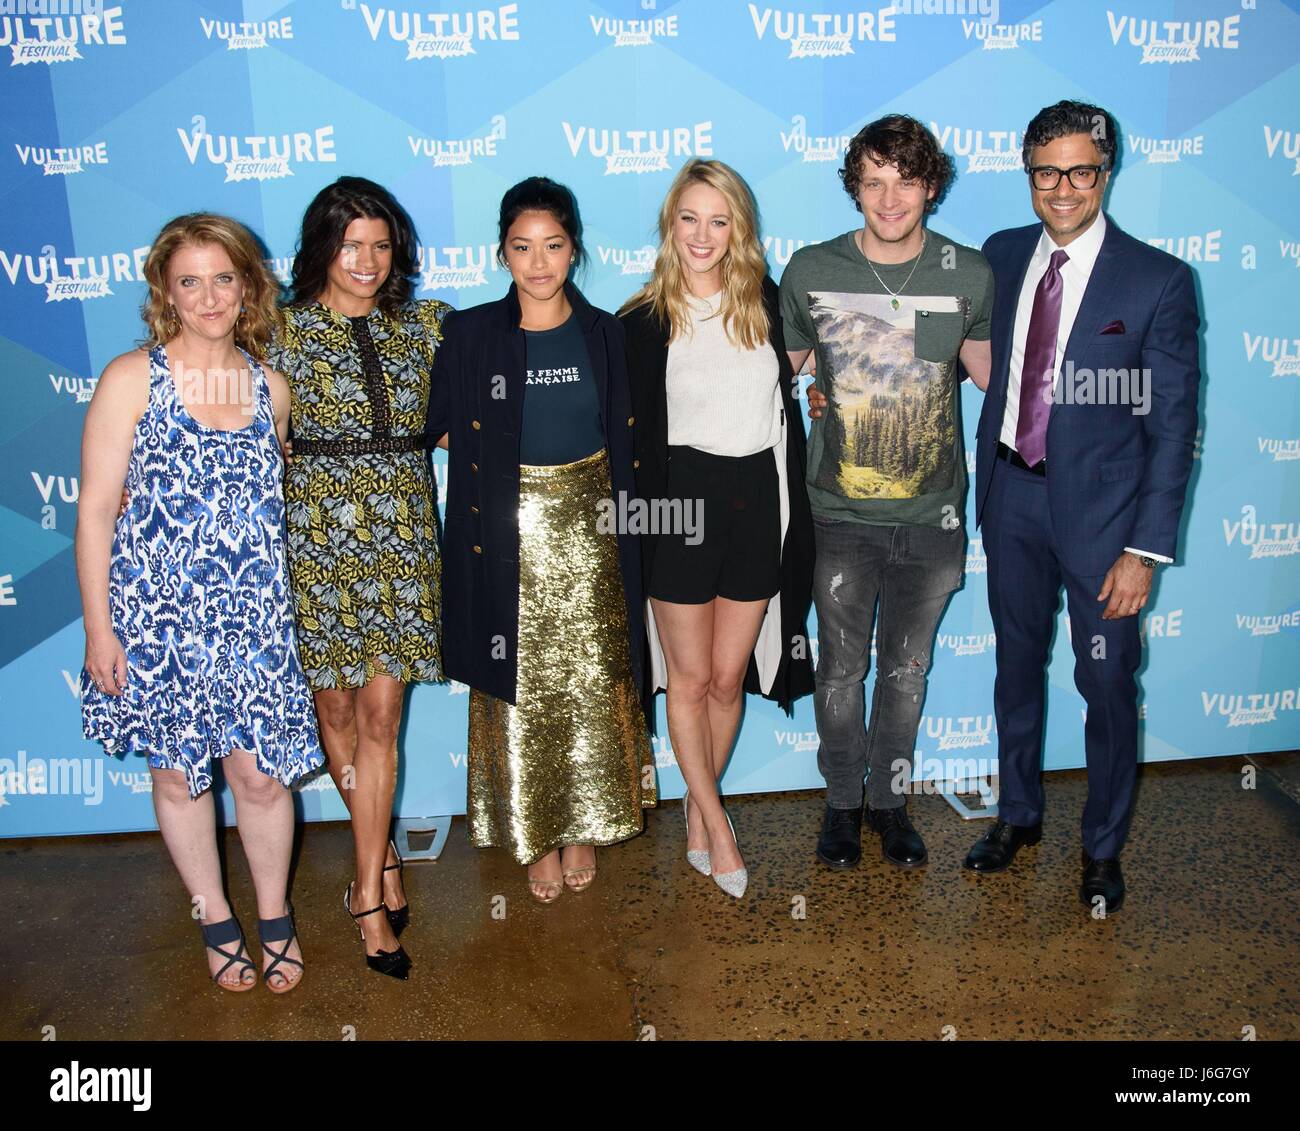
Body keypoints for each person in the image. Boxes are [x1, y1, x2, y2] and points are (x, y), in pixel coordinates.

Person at [961, 101, 1200, 912]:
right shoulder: (999, 255)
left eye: (1080, 170)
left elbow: (1173, 429)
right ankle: (1018, 815)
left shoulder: (1158, 278)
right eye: (1046, 171)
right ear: (1029, 173)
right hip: (1011, 497)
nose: (1062, 188)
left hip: (1106, 528)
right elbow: (962, 355)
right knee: (1015, 670)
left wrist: (1146, 549)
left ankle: (1102, 848)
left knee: (1106, 688)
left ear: (1107, 172)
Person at [78, 213, 324, 994]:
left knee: (260, 778)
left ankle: (275, 913)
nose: (209, 295)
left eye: (224, 277)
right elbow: (94, 512)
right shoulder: (131, 379)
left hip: (252, 620)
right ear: (166, 292)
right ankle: (215, 914)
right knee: (181, 779)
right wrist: (99, 631)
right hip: (159, 619)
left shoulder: (270, 388)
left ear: (249, 284)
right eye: (190, 280)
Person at [428, 177, 656, 904]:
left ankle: (584, 821)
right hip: (507, 529)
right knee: (519, 682)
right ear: (502, 252)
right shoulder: (469, 335)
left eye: (553, 245)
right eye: (522, 247)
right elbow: (438, 426)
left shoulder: (605, 333)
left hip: (593, 524)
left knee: (592, 677)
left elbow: (627, 437)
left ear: (574, 249)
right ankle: (534, 829)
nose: (538, 261)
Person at [784, 114, 993, 872]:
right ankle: (841, 805)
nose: (890, 196)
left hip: (933, 519)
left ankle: (890, 805)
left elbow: (991, 379)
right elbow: (780, 376)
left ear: (930, 186)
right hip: (838, 516)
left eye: (905, 179)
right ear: (855, 188)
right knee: (840, 673)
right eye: (873, 180)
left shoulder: (967, 274)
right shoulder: (811, 270)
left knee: (908, 672)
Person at [619, 159, 814, 900]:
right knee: (690, 678)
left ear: (740, 228)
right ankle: (716, 821)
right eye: (689, 219)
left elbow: (793, 399)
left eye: (718, 220)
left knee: (730, 679)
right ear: (671, 226)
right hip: (677, 506)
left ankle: (701, 811)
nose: (703, 235)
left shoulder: (768, 304)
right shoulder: (641, 320)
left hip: (755, 500)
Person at [271, 177, 450, 978]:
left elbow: (502, 378)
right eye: (352, 246)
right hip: (313, 542)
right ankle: (380, 853)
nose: (369, 260)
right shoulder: (276, 333)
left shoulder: (426, 327)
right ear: (322, 249)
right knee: (336, 713)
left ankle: (369, 894)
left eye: (381, 245)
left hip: (403, 540)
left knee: (381, 717)